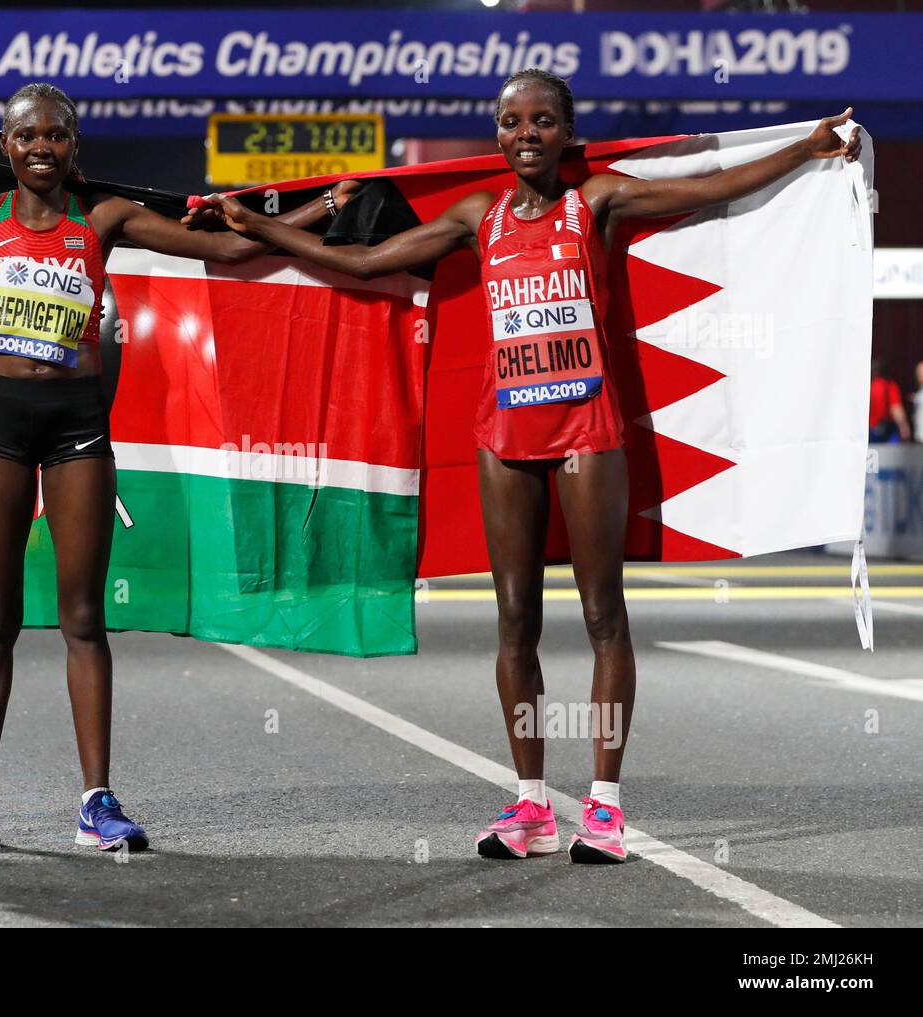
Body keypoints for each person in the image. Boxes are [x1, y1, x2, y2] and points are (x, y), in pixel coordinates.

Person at [198, 68, 862, 864]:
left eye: (542, 121)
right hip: (503, 438)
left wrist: (808, 147)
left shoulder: (600, 200)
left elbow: (713, 183)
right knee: (515, 623)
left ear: (566, 134)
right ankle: (531, 807)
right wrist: (261, 228)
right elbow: (371, 262)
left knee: (602, 617)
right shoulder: (479, 216)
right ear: (498, 134)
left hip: (586, 432)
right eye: (512, 122)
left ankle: (606, 808)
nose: (526, 134)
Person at [0, 83, 357, 853]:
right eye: (27, 136)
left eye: (58, 136)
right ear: (4, 144)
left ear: (76, 146)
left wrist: (318, 211)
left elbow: (231, 249)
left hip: (77, 425)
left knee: (82, 618)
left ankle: (96, 800)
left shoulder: (101, 218)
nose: (42, 148)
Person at [868, 359, 912, 443]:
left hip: (870, 430)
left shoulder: (869, 387)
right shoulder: (889, 386)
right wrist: (903, 427)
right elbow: (895, 408)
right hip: (888, 431)